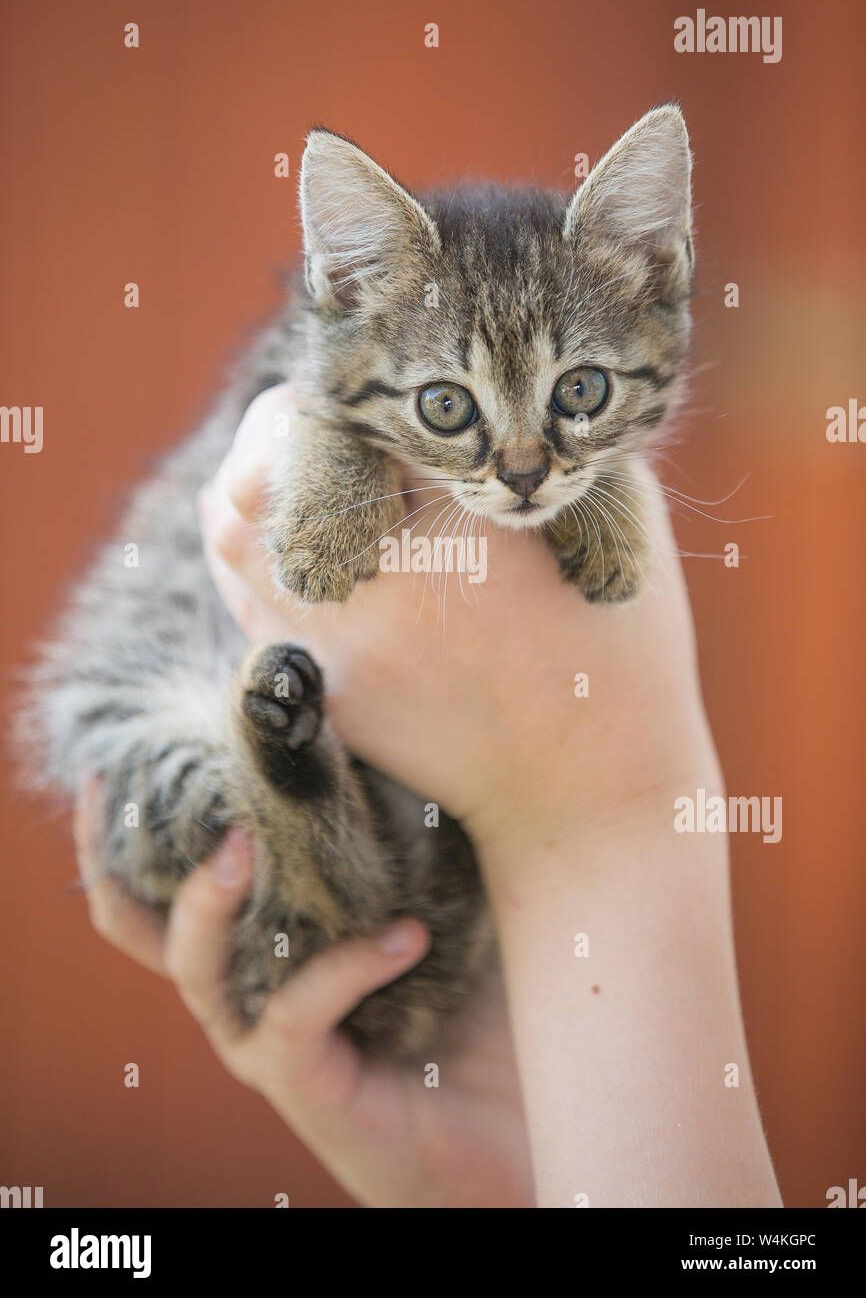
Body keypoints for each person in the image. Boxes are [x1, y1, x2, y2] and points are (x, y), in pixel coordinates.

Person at [73, 384, 781, 1209]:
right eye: (452, 404)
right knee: (194, 821)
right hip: (223, 736)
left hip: (417, 900)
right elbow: (305, 400)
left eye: (578, 392)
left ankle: (306, 815)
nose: (522, 466)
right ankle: (303, 816)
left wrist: (608, 799)